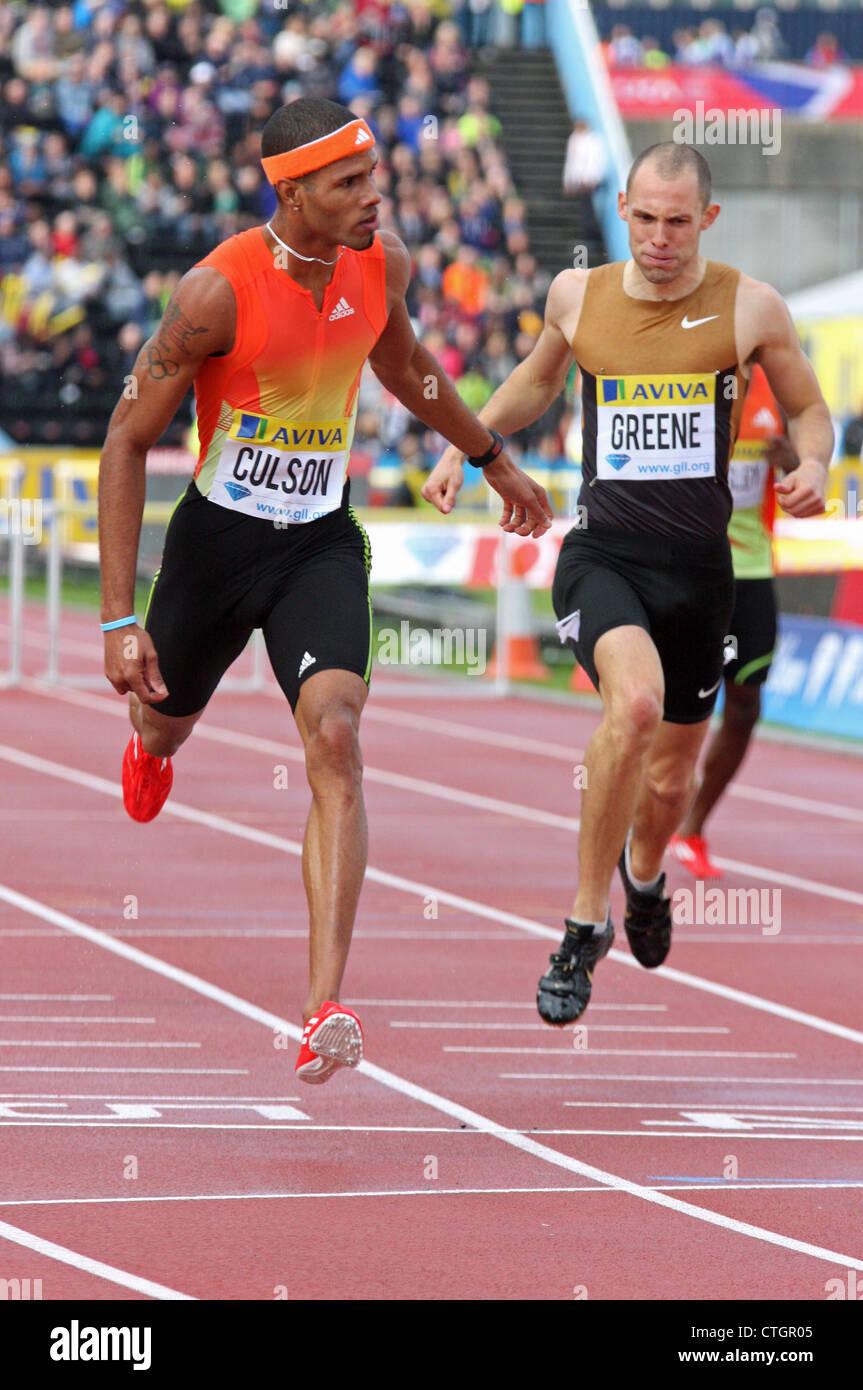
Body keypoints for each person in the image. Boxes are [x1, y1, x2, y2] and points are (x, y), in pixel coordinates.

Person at [98, 97, 551, 1084]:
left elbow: (404, 366)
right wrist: (119, 616)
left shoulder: (377, 266)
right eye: (347, 183)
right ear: (291, 192)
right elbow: (126, 441)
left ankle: (321, 1007)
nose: (371, 196)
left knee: (336, 738)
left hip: (318, 545)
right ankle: (150, 740)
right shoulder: (215, 292)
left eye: (373, 175)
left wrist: (490, 459)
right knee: (164, 723)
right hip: (216, 547)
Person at [423, 141, 832, 1025]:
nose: (657, 238)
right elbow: (534, 382)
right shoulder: (578, 295)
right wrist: (469, 446)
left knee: (670, 778)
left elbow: (806, 406)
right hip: (603, 554)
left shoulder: (748, 307)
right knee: (633, 708)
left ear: (706, 220)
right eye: (643, 218)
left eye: (676, 222)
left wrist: (818, 462)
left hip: (699, 571)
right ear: (621, 207)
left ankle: (643, 875)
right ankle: (582, 924)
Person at [670, 365, 798, 878]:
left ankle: (693, 827)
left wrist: (795, 463)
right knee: (672, 706)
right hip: (690, 565)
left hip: (751, 567)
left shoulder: (776, 385)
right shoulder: (689, 371)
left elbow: (801, 457)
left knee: (744, 706)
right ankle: (651, 811)